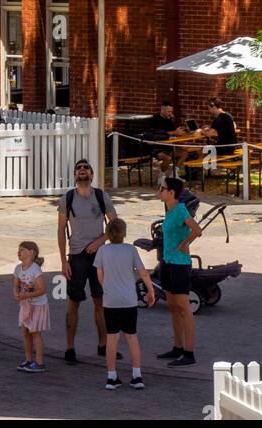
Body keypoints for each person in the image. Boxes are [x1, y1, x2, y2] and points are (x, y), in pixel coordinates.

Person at [57, 158, 117, 363]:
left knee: (100, 301)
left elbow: (115, 226)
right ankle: (70, 348)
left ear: (91, 174)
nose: (82, 171)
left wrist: (100, 241)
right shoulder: (67, 198)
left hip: (99, 255)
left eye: (86, 168)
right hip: (76, 256)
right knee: (74, 301)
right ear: (75, 175)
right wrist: (63, 261)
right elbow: (60, 229)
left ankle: (103, 345)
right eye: (78, 168)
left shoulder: (101, 196)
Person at [94, 218, 155, 390]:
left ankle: (111, 376)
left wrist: (107, 287)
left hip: (110, 301)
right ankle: (137, 375)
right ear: (124, 233)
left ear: (108, 234)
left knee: (112, 338)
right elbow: (143, 273)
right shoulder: (131, 250)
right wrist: (151, 290)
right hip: (129, 300)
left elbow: (100, 276)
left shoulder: (102, 251)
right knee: (131, 337)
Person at [156, 176, 202, 367]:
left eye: (162, 188)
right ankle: (177, 346)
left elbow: (196, 230)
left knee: (183, 306)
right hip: (167, 262)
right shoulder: (169, 210)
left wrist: (185, 244)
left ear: (171, 192)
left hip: (179, 264)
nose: (159, 191)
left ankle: (189, 352)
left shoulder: (181, 209)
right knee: (173, 305)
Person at [13, 240, 49, 373]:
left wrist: (26, 295)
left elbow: (42, 289)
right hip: (26, 305)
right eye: (19, 250)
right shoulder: (18, 269)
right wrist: (16, 294)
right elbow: (15, 285)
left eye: (22, 250)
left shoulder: (35, 270)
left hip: (37, 305)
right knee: (26, 332)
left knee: (35, 332)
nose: (19, 252)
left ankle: (39, 362)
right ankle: (28, 360)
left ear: (31, 252)